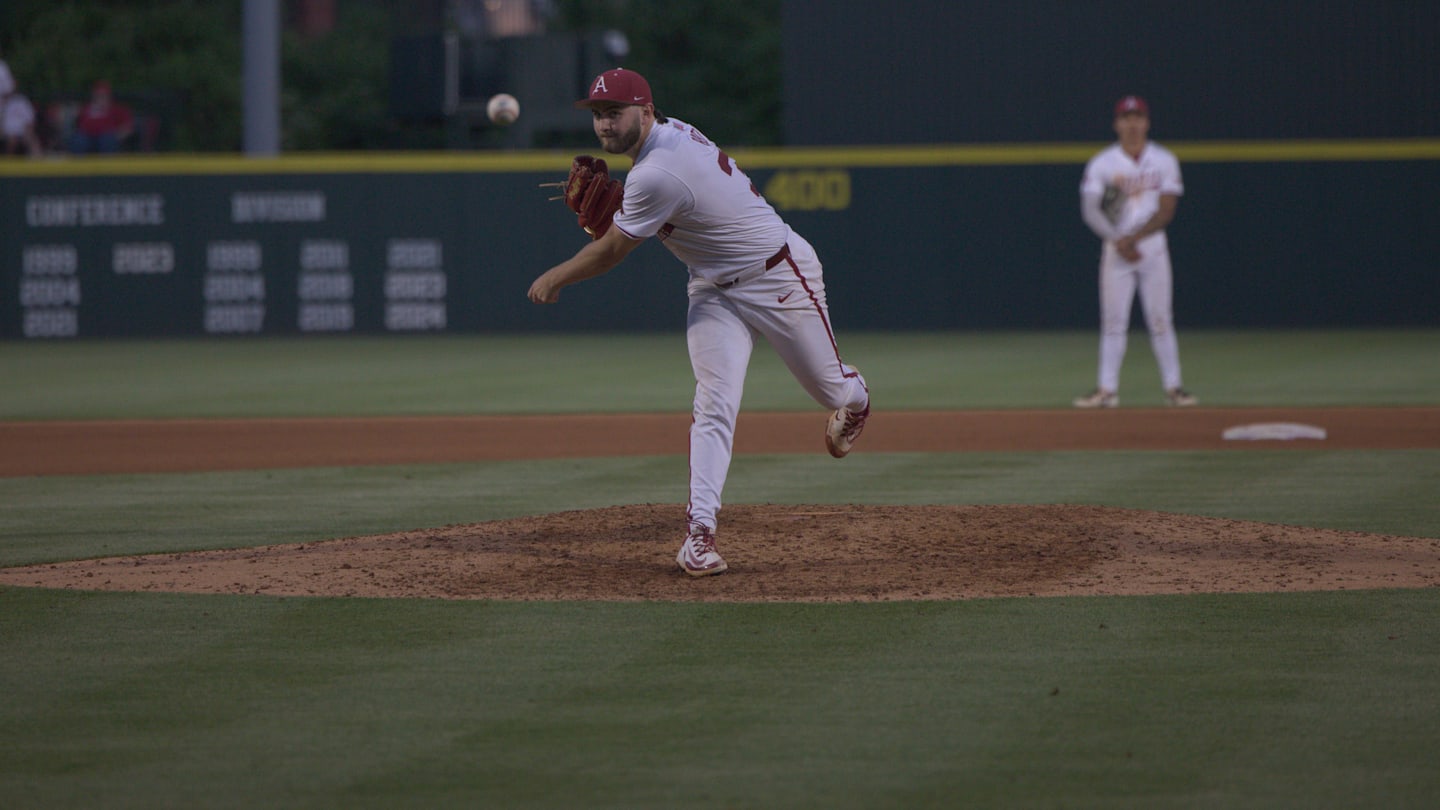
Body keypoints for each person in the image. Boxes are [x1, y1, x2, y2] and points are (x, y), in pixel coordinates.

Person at [527, 68, 871, 577]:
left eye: (613, 113)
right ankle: (699, 535)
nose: (603, 125)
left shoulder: (654, 173)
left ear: (645, 112)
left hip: (778, 276)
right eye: (598, 115)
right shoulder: (665, 142)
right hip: (712, 288)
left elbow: (612, 252)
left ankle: (858, 396)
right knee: (714, 403)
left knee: (831, 391)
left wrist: (555, 277)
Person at [1074, 95, 1196, 408]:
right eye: (1126, 118)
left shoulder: (1163, 159)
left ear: (1147, 122)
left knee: (1160, 320)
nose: (1132, 124)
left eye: (1138, 117)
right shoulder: (1104, 162)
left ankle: (1174, 388)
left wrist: (1133, 239)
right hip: (1116, 251)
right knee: (1113, 323)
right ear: (1117, 124)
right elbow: (1091, 211)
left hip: (1152, 249)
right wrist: (1119, 240)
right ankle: (1107, 390)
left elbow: (1167, 209)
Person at [68, 79, 133, 154]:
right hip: (86, 137)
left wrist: (117, 135)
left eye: (103, 95)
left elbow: (128, 127)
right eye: (98, 95)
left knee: (107, 140)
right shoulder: (86, 109)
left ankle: (106, 165)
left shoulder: (117, 109)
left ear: (108, 96)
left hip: (106, 137)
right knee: (78, 140)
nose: (100, 97)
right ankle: (79, 165)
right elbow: (76, 123)